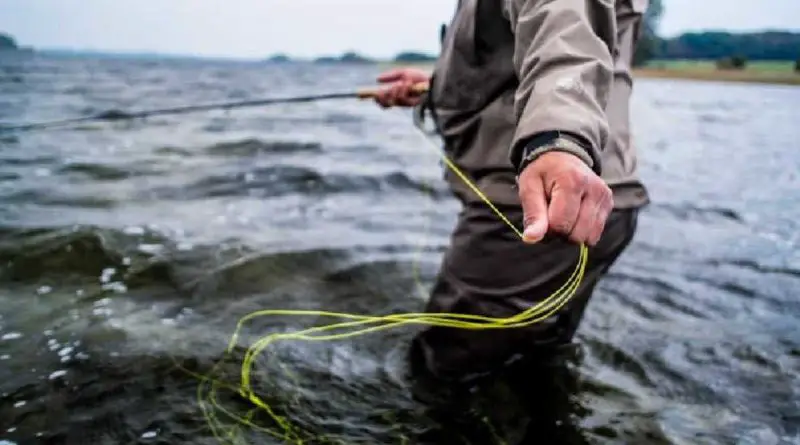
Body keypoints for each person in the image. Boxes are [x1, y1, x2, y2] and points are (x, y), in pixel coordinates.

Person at [373, 0, 651, 384]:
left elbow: (564, 30)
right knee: (535, 364)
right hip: (597, 198)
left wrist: (558, 138)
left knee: (444, 373)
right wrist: (434, 88)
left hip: (536, 205)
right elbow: (521, 51)